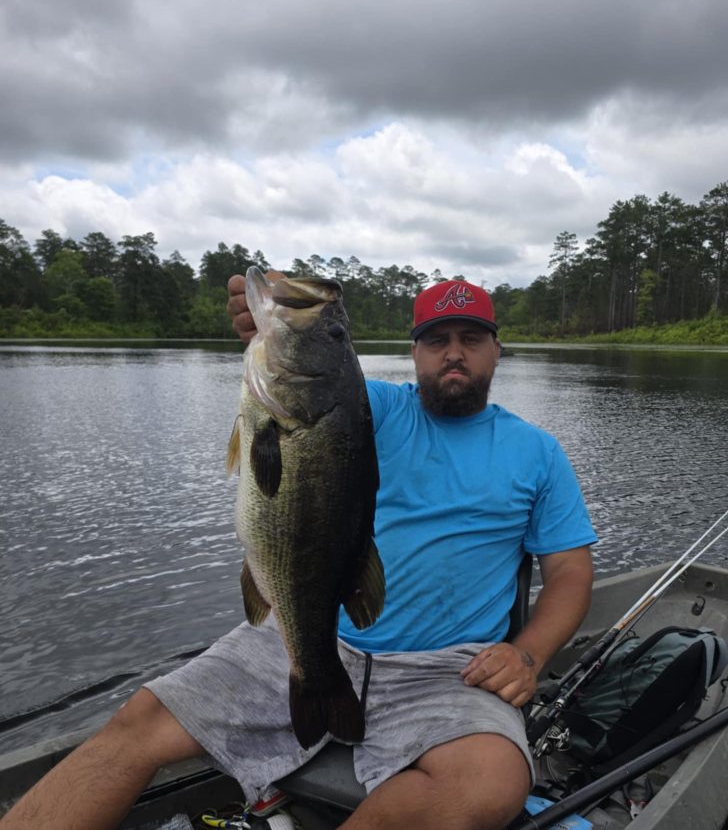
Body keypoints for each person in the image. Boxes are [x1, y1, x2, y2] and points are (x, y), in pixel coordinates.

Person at [1, 275, 596, 830]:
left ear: (497, 349)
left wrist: (527, 654)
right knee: (138, 722)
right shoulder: (366, 407)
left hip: (448, 669)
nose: (453, 353)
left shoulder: (537, 452)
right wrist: (270, 324)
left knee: (489, 786)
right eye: (436, 340)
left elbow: (569, 572)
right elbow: (308, 374)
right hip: (307, 629)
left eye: (471, 338)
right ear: (414, 354)